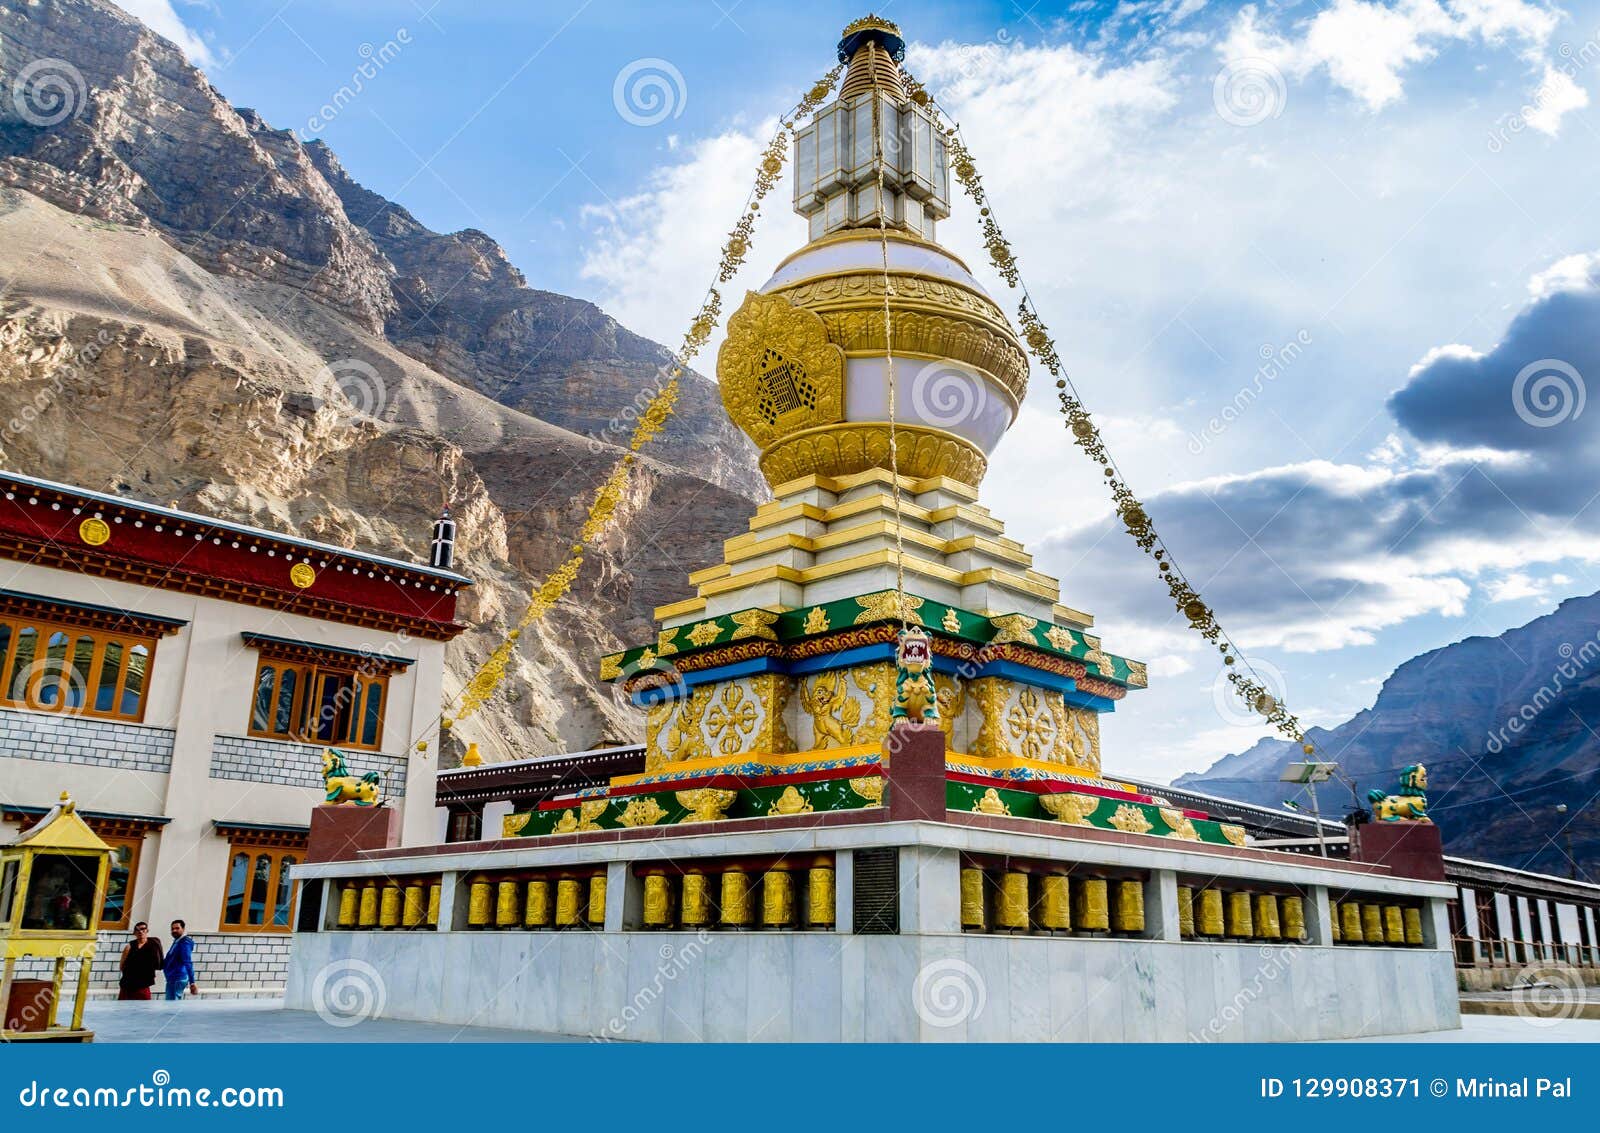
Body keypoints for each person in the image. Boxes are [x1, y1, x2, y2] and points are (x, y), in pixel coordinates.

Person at [118, 922, 163, 1001]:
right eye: (137, 930)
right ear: (134, 933)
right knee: (123, 1006)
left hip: (144, 984)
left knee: (144, 1006)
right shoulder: (129, 946)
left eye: (143, 929)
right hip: (128, 984)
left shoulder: (153, 944)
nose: (140, 932)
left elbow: (158, 960)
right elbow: (122, 965)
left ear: (147, 930)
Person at [163, 919, 197, 1000]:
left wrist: (192, 982)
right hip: (172, 978)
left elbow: (188, 962)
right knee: (171, 1003)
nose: (174, 930)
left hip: (177, 978)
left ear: (183, 929)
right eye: (172, 929)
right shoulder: (177, 941)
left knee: (172, 1004)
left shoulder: (184, 943)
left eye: (177, 928)